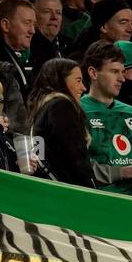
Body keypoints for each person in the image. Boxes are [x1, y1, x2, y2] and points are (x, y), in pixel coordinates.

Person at [79, 40, 132, 195]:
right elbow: (76, 168)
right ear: (93, 73)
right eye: (114, 71)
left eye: (123, 72)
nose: (122, 79)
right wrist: (128, 171)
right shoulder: (77, 110)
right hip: (94, 202)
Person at [26, 58, 92, 186]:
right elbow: (74, 157)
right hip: (70, 193)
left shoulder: (42, 109)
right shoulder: (62, 106)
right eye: (78, 81)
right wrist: (91, 188)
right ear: (60, 80)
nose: (83, 88)